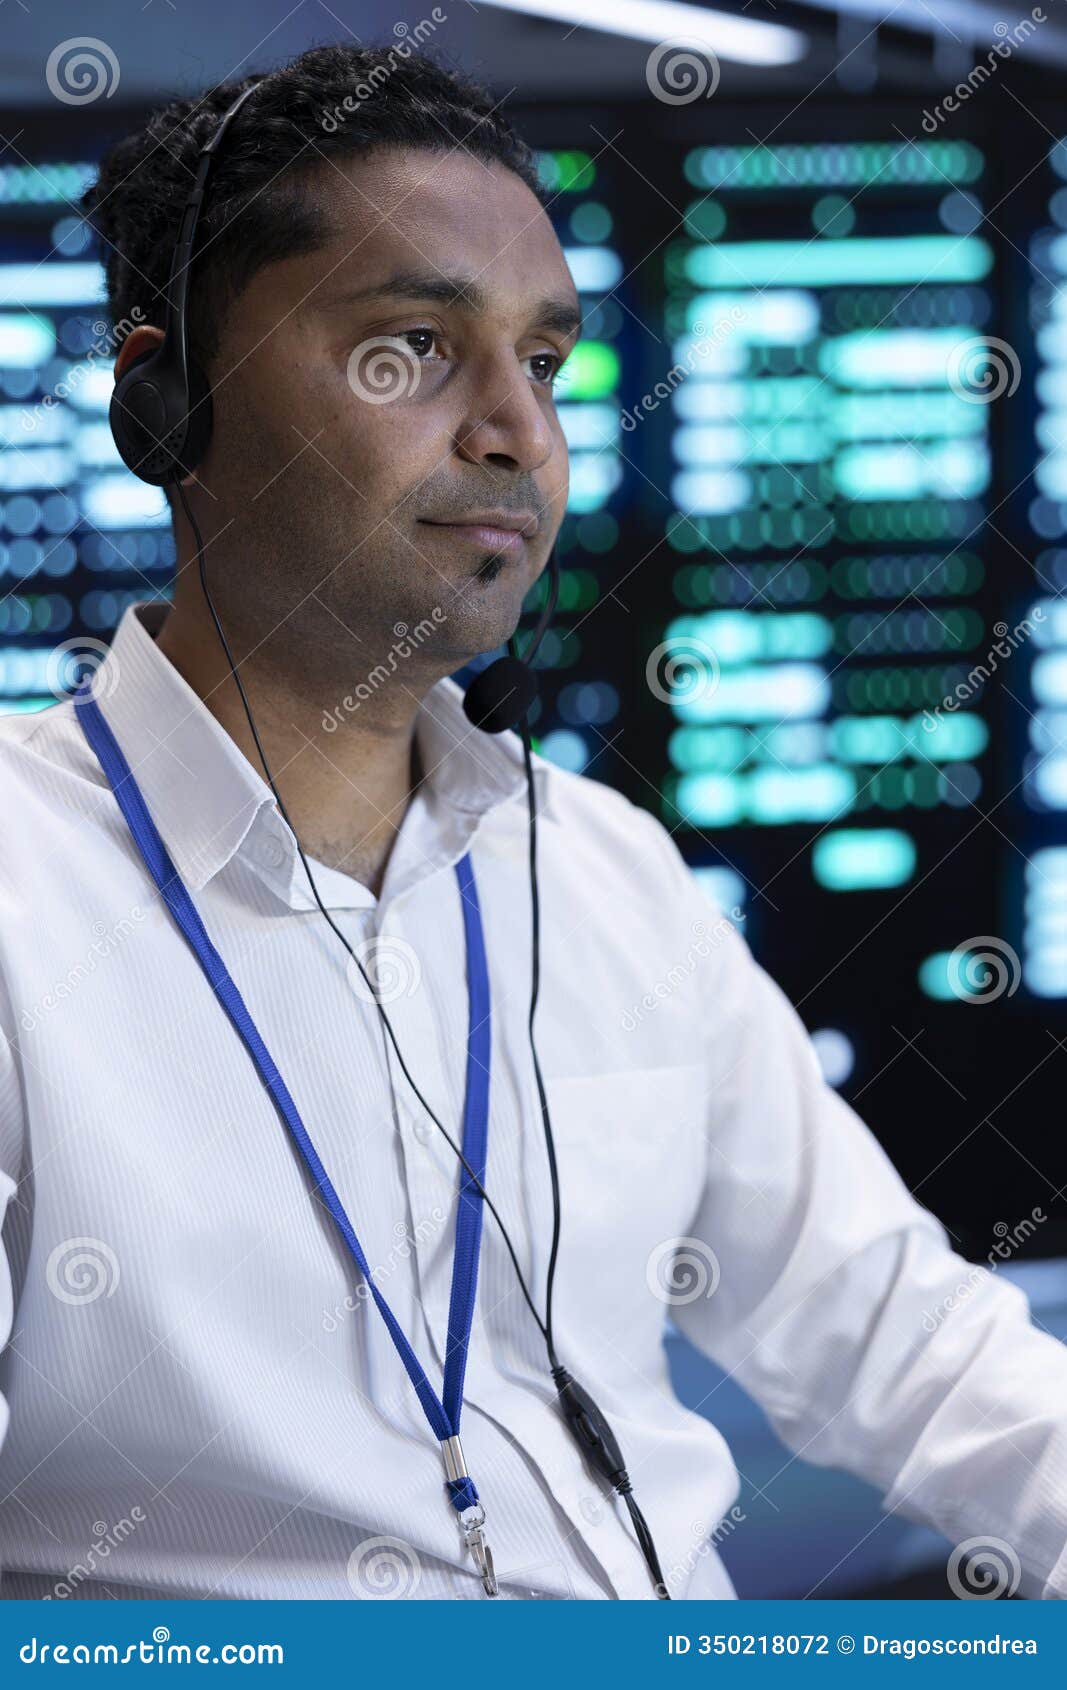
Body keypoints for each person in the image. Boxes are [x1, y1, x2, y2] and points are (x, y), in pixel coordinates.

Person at [0, 42, 1065, 1603]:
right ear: (170, 408)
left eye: (547, 361)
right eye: (413, 348)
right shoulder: (28, 889)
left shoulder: (602, 870)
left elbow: (906, 1342)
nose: (518, 432)